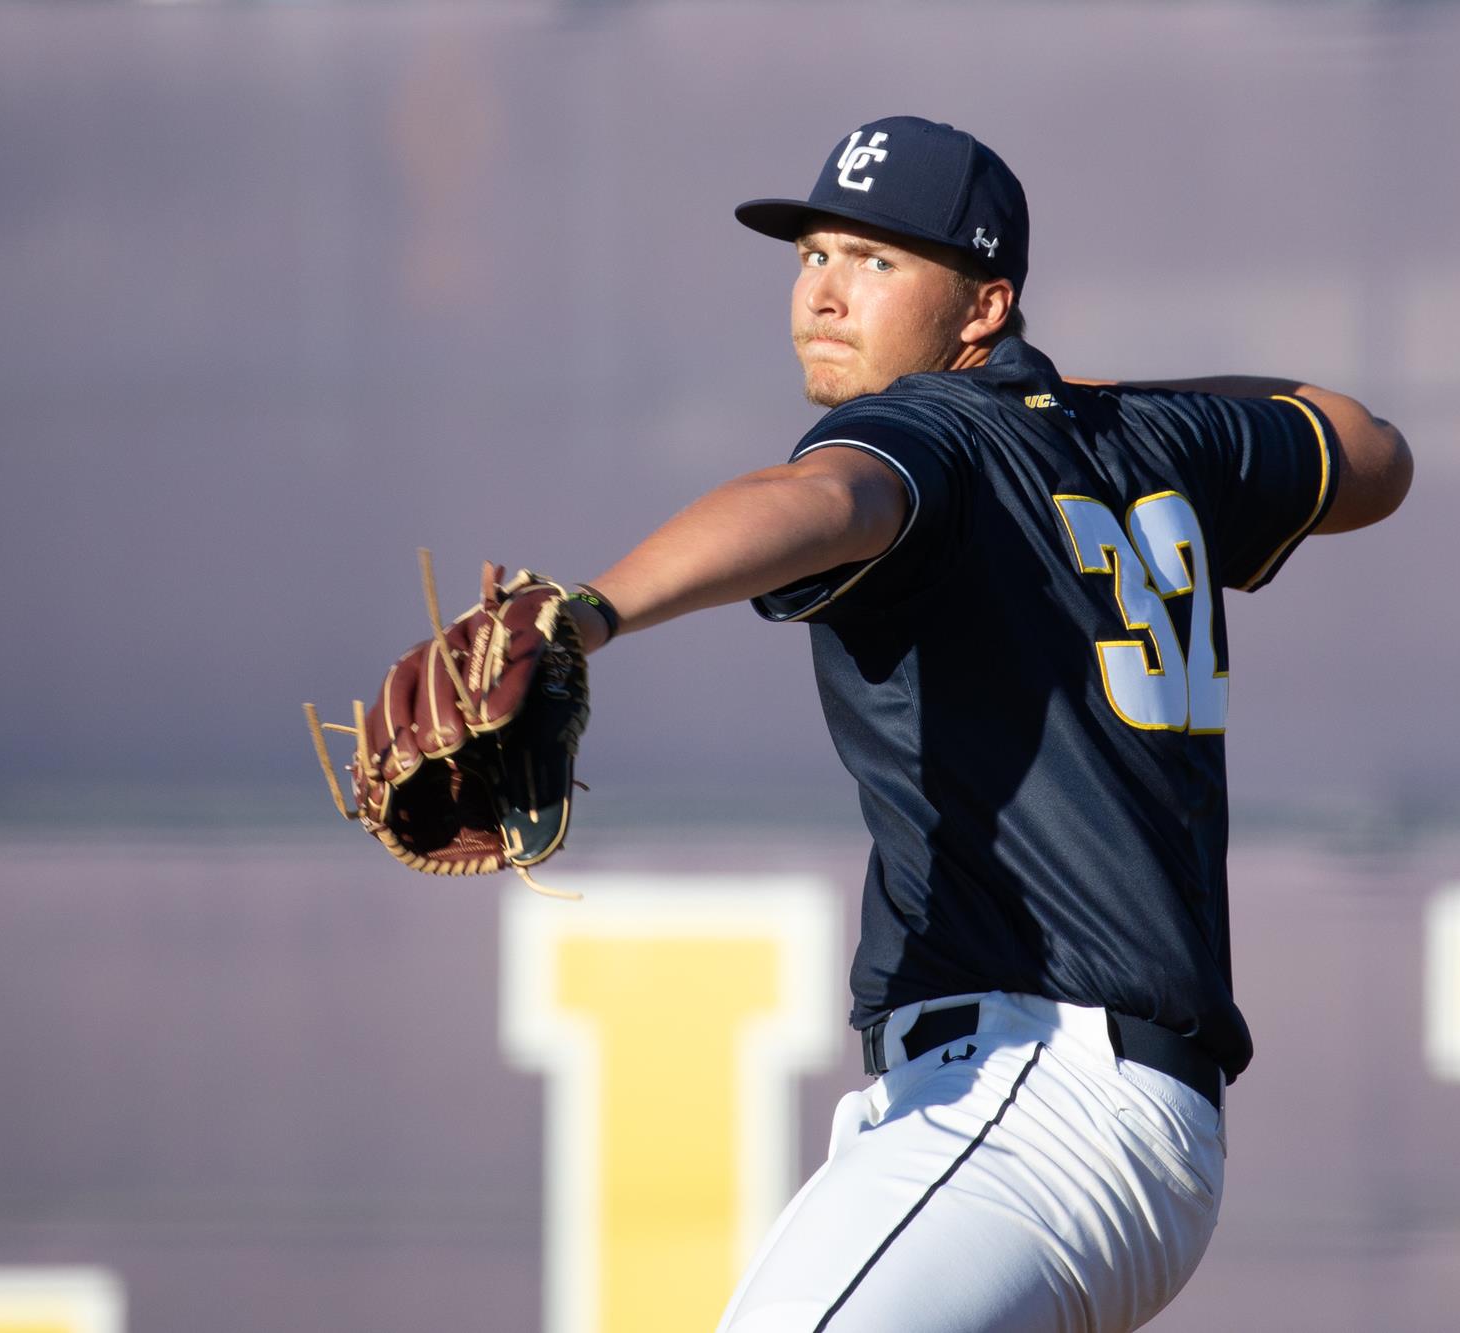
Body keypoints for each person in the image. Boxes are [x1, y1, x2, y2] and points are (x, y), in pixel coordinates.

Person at [555, 116, 1411, 1333]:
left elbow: (820, 496)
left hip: (1033, 1090)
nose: (824, 292)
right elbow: (1368, 448)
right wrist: (1089, 406)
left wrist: (587, 614)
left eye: (876, 259)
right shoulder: (1150, 440)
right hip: (1083, 1117)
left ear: (984, 303)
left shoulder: (927, 431)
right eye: (812, 254)